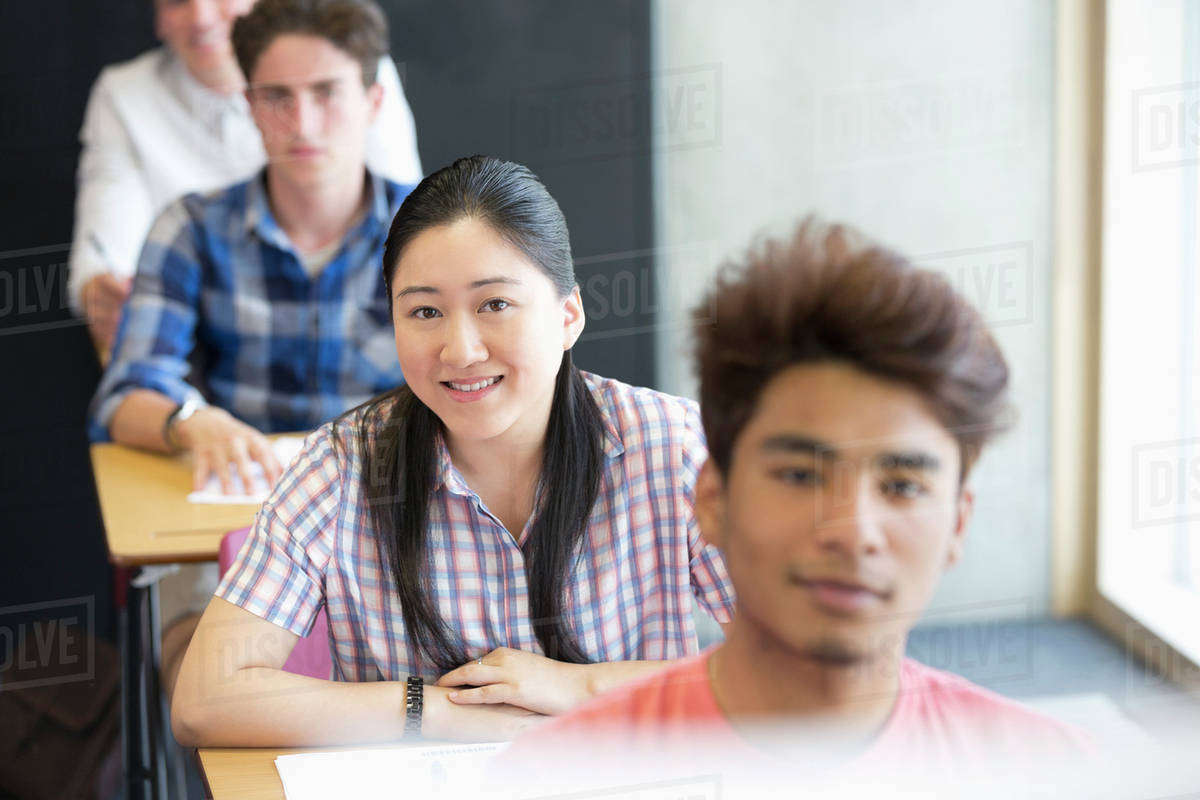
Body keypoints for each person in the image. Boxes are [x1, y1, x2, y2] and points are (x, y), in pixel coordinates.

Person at [169, 155, 736, 746]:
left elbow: (807, 669)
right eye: (425, 311)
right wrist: (432, 709)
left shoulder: (673, 447)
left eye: (495, 304)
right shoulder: (343, 465)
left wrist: (580, 688)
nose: (459, 350)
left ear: (568, 315)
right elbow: (202, 697)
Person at [501, 219, 1087, 788]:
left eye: (902, 485)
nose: (852, 532)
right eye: (802, 475)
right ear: (712, 498)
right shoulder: (556, 776)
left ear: (958, 523)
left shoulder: (1050, 773)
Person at [88, 0, 414, 496]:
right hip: (242, 502)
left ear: (373, 103)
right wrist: (192, 422)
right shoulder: (189, 228)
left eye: (326, 93)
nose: (302, 123)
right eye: (277, 96)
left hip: (394, 501)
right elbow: (124, 397)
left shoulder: (433, 228)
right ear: (251, 106)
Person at [69, 0, 422, 351]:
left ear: (372, 101)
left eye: (325, 92)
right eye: (177, 1)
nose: (202, 17)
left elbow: (407, 231)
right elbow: (108, 241)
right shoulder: (126, 100)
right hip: (197, 346)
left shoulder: (343, 58)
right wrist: (104, 290)